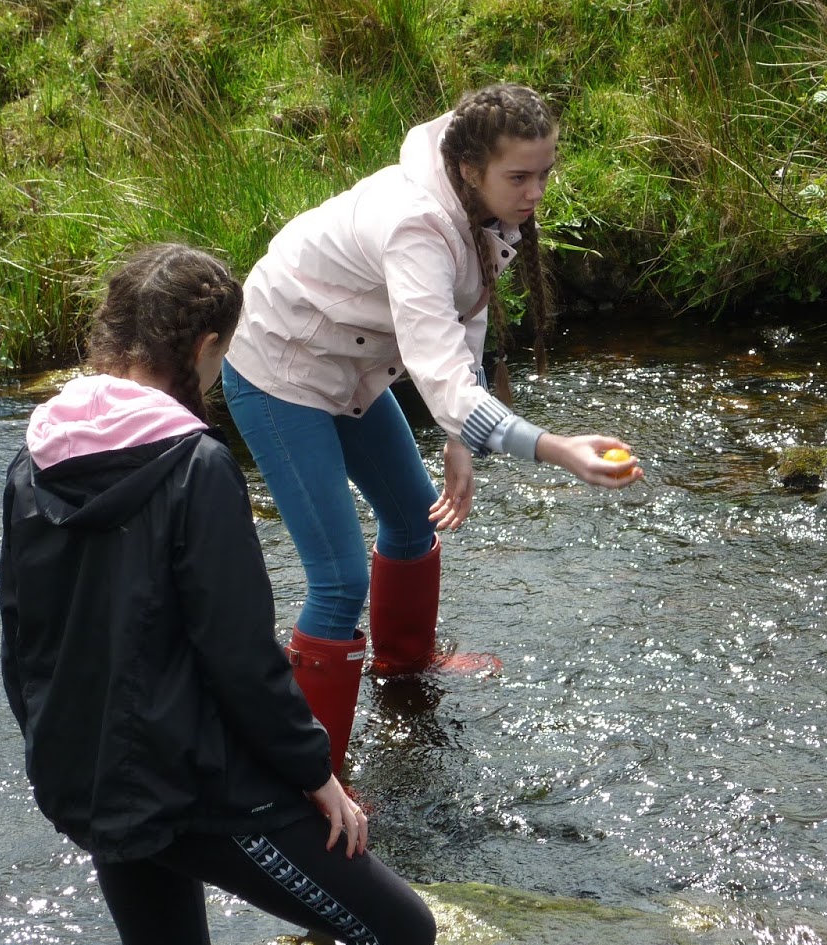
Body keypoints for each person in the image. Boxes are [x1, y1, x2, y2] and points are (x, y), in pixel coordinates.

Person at [0, 243, 436, 945]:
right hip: (189, 774)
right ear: (203, 347)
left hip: (89, 768)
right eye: (220, 356)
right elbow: (239, 656)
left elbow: (26, 639)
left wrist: (58, 747)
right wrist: (317, 776)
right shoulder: (195, 466)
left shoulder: (32, 457)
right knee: (394, 934)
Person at [222, 82, 642, 780]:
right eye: (519, 176)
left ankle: (402, 673)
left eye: (546, 172)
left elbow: (463, 319)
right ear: (473, 168)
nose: (536, 191)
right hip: (279, 369)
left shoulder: (474, 203)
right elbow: (436, 367)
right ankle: (310, 780)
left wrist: (460, 436)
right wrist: (556, 448)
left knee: (415, 524)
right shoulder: (417, 224)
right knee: (337, 578)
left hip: (349, 364)